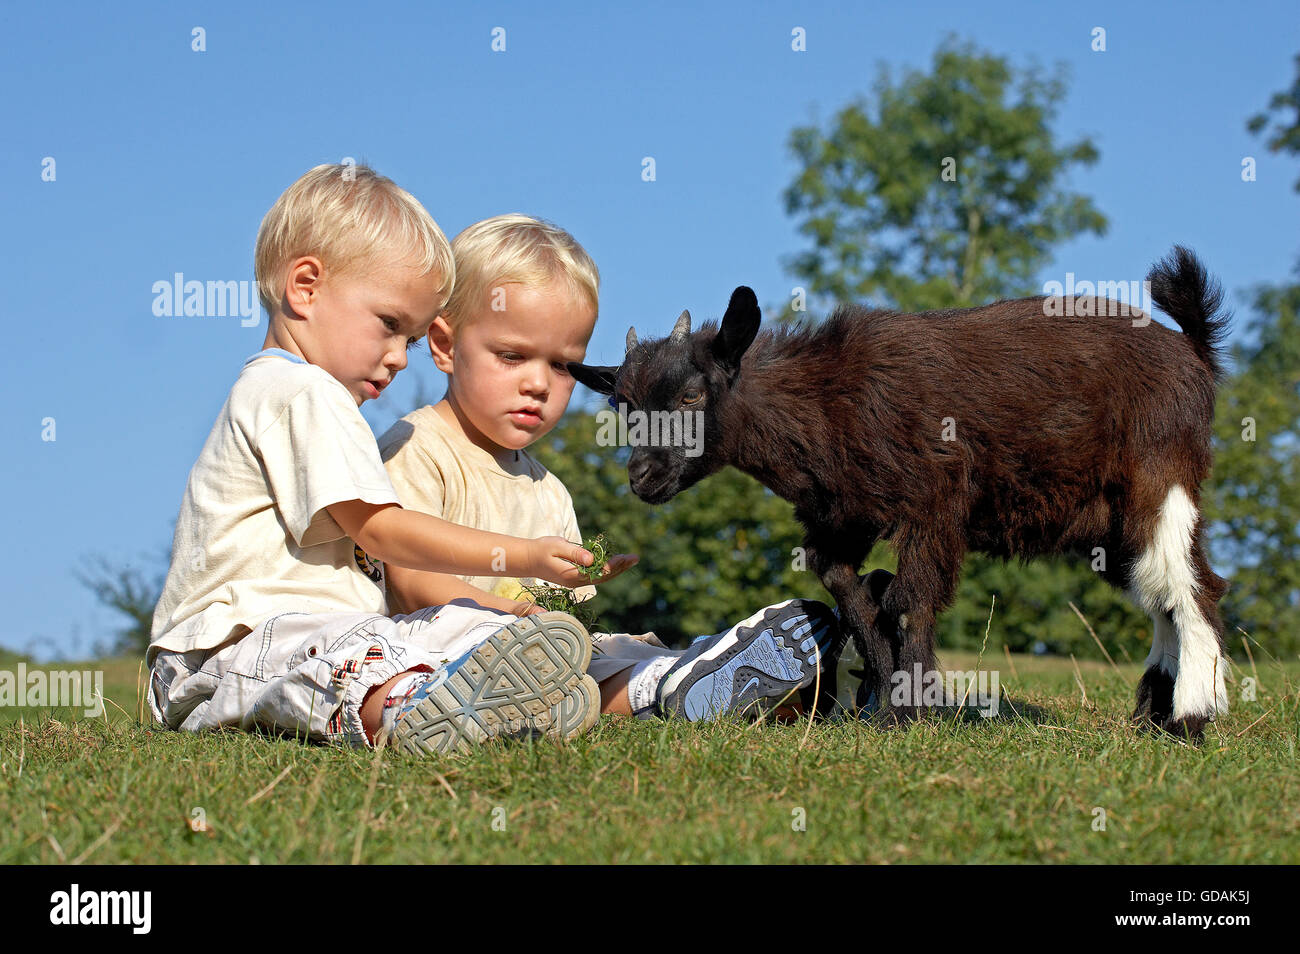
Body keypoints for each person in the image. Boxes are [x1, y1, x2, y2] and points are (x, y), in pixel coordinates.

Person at [148, 164, 612, 757]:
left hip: (311, 634)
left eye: (411, 339)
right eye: (390, 325)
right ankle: (410, 707)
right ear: (305, 287)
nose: (398, 358)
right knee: (350, 656)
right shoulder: (299, 391)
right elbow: (382, 530)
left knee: (431, 631)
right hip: (224, 650)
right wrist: (523, 556)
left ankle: (511, 693)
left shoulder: (309, 396)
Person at [378, 214, 840, 721]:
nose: (539, 384)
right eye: (512, 356)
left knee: (624, 649)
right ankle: (671, 688)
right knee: (583, 663)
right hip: (432, 653)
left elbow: (560, 611)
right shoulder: (418, 447)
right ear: (445, 346)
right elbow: (409, 583)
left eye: (562, 366)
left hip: (530, 652)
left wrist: (572, 591)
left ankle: (756, 686)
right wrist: (521, 617)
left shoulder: (546, 488)